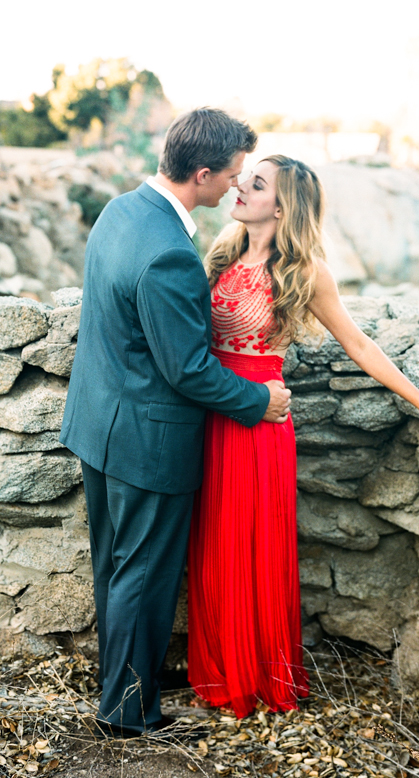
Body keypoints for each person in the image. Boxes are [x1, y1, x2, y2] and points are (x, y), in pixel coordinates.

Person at [186, 155, 419, 719]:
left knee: (253, 543)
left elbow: (360, 345)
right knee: (214, 539)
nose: (240, 186)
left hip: (261, 420)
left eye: (257, 182)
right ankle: (219, 664)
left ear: (283, 204)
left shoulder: (306, 272)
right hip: (212, 411)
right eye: (245, 178)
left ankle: (257, 676)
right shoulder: (222, 248)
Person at [59, 110, 292, 738]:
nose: (235, 189)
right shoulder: (169, 252)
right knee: (142, 573)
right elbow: (188, 370)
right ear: (202, 172)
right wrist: (257, 403)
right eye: (233, 176)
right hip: (146, 439)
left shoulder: (121, 210)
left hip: (98, 422)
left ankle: (122, 681)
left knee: (115, 565)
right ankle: (128, 714)